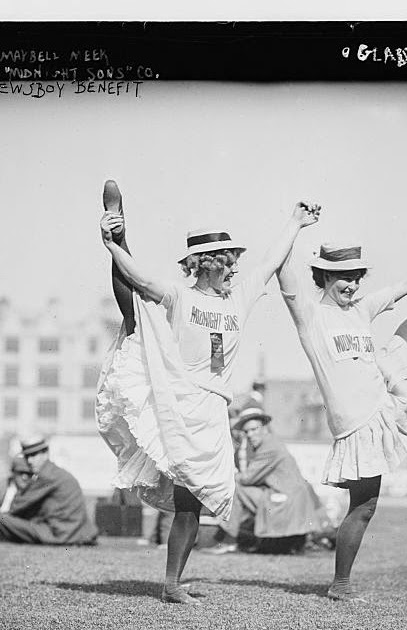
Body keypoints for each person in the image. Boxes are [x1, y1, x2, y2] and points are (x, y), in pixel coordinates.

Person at [94, 180, 320, 605]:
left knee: (195, 502)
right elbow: (135, 282)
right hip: (180, 400)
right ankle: (173, 585)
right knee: (187, 499)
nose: (234, 268)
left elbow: (271, 262)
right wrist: (114, 245)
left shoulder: (238, 300)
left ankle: (172, 583)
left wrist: (295, 222)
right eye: (228, 262)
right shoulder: (180, 295)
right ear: (209, 264)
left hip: (214, 410)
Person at [276, 221, 407, 601]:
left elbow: (404, 285)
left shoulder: (359, 309)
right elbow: (282, 271)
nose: (350, 285)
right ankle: (341, 585)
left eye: (355, 277)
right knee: (364, 506)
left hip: (380, 395)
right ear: (322, 277)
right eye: (341, 278)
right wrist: (295, 224)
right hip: (357, 420)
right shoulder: (311, 317)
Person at [205, 407, 323, 554]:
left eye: (254, 429)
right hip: (290, 497)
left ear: (264, 428)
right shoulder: (271, 443)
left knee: (236, 488)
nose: (250, 434)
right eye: (247, 431)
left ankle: (229, 540)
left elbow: (248, 478)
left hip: (286, 500)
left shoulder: (269, 447)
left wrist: (228, 476)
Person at [0, 436, 98, 545]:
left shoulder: (46, 475)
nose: (29, 461)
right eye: (27, 456)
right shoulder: (56, 472)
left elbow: (18, 506)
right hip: (79, 533)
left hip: (60, 534)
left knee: (2, 519)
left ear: (45, 453)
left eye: (33, 455)